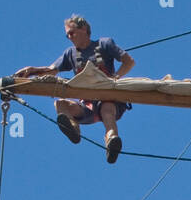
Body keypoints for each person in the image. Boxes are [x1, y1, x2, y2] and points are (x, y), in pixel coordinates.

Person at [14, 17, 135, 163]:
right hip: (88, 104)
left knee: (107, 110)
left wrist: (115, 78)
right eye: (67, 35)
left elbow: (129, 62)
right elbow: (51, 71)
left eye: (72, 33)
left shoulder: (104, 44)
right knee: (60, 105)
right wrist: (32, 70)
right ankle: (73, 128)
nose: (69, 37)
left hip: (108, 97)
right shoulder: (70, 53)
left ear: (84, 29)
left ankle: (112, 140)